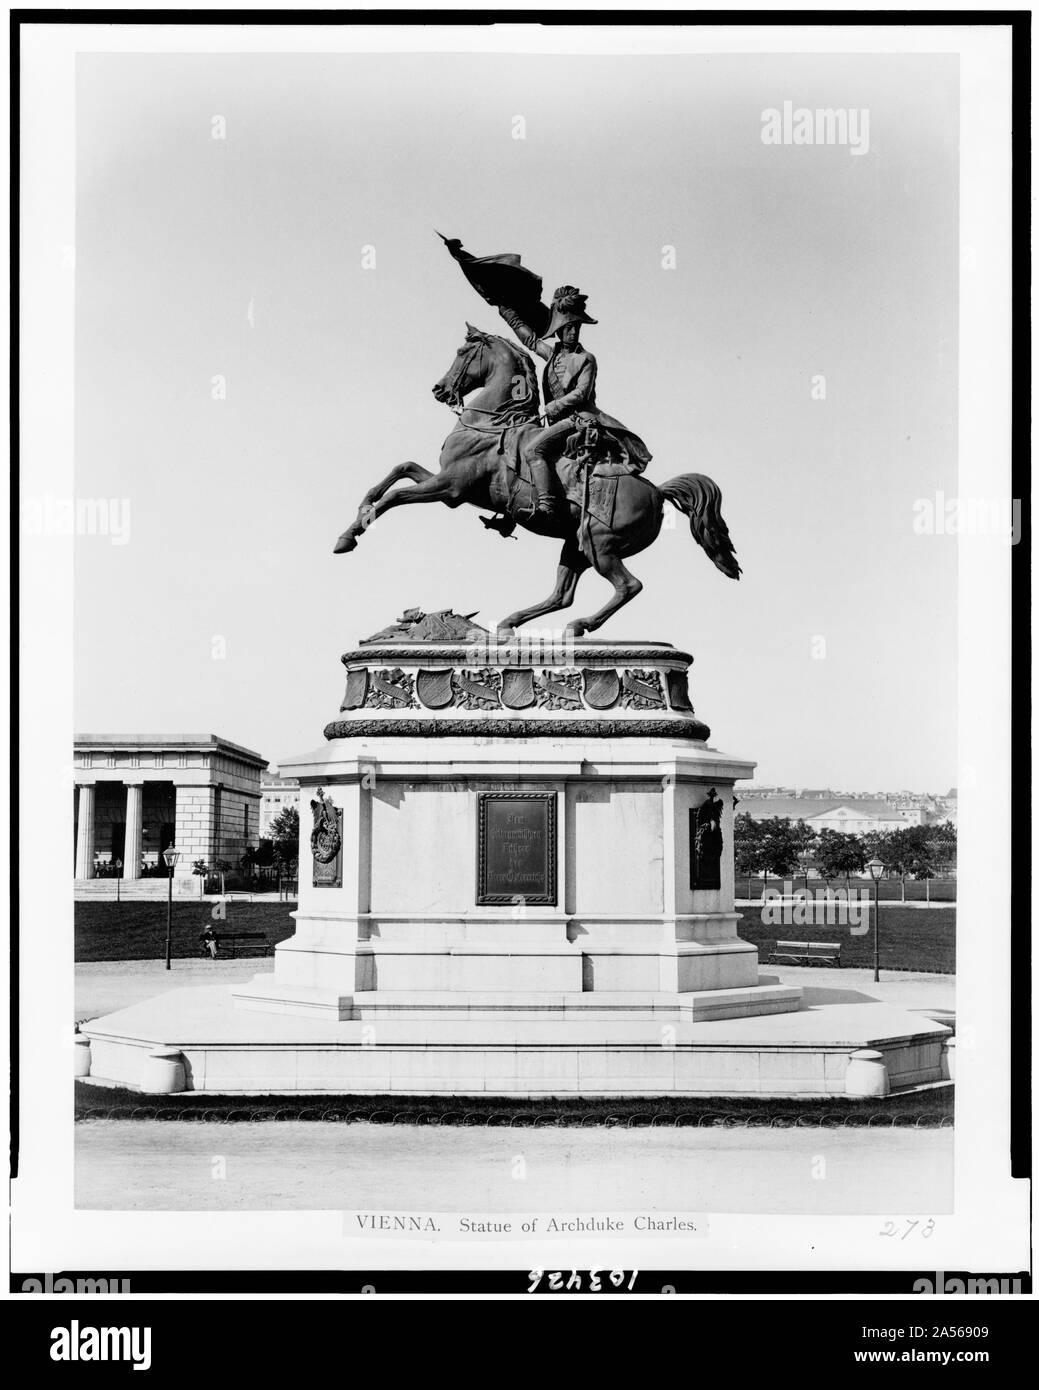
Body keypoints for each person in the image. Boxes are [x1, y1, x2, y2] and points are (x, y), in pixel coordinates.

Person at [497, 285, 651, 517]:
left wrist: (555, 405)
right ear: (559, 330)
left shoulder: (586, 359)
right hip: (560, 422)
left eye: (576, 328)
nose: (573, 332)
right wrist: (507, 312)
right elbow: (530, 340)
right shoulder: (553, 356)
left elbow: (581, 393)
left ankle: (547, 506)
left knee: (532, 450)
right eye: (569, 328)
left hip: (579, 419)